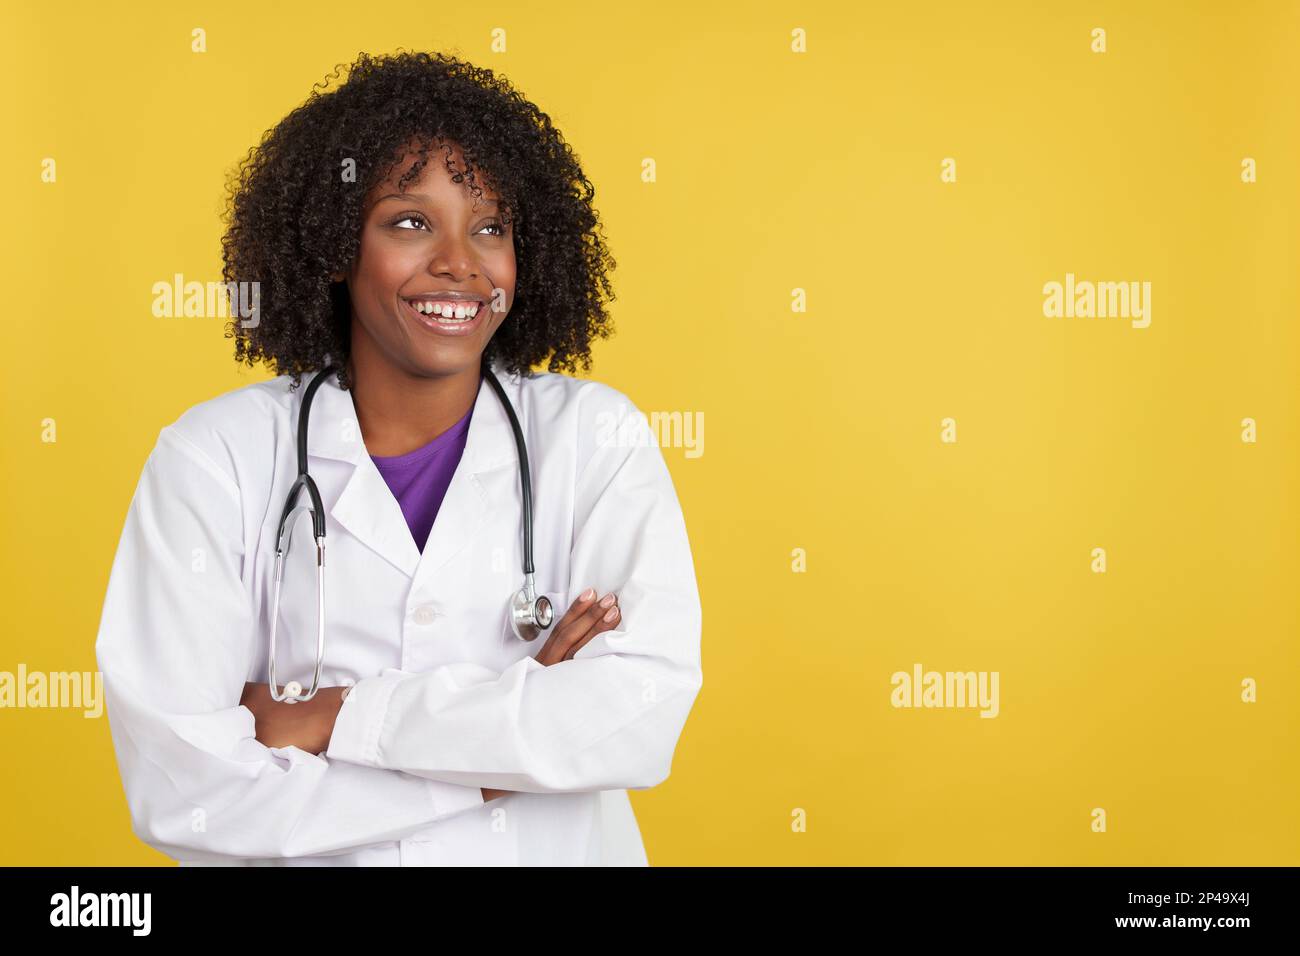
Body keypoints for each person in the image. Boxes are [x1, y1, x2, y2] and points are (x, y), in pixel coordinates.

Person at [94, 50, 703, 866]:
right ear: (335, 245)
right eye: (410, 222)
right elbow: (185, 794)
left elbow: (636, 716)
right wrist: (495, 764)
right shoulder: (215, 461)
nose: (460, 262)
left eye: (491, 226)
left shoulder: (597, 442)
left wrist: (338, 717)